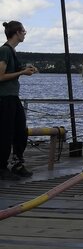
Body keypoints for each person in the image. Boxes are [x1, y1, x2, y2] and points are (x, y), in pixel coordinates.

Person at [0, 20, 37, 180]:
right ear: (16, 33)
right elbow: (0, 76)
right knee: (5, 133)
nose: (25, 33)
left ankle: (17, 163)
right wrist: (21, 73)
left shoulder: (12, 51)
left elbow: (10, 71)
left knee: (20, 131)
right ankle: (1, 167)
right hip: (4, 98)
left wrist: (25, 70)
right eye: (23, 31)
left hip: (12, 97)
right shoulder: (4, 51)